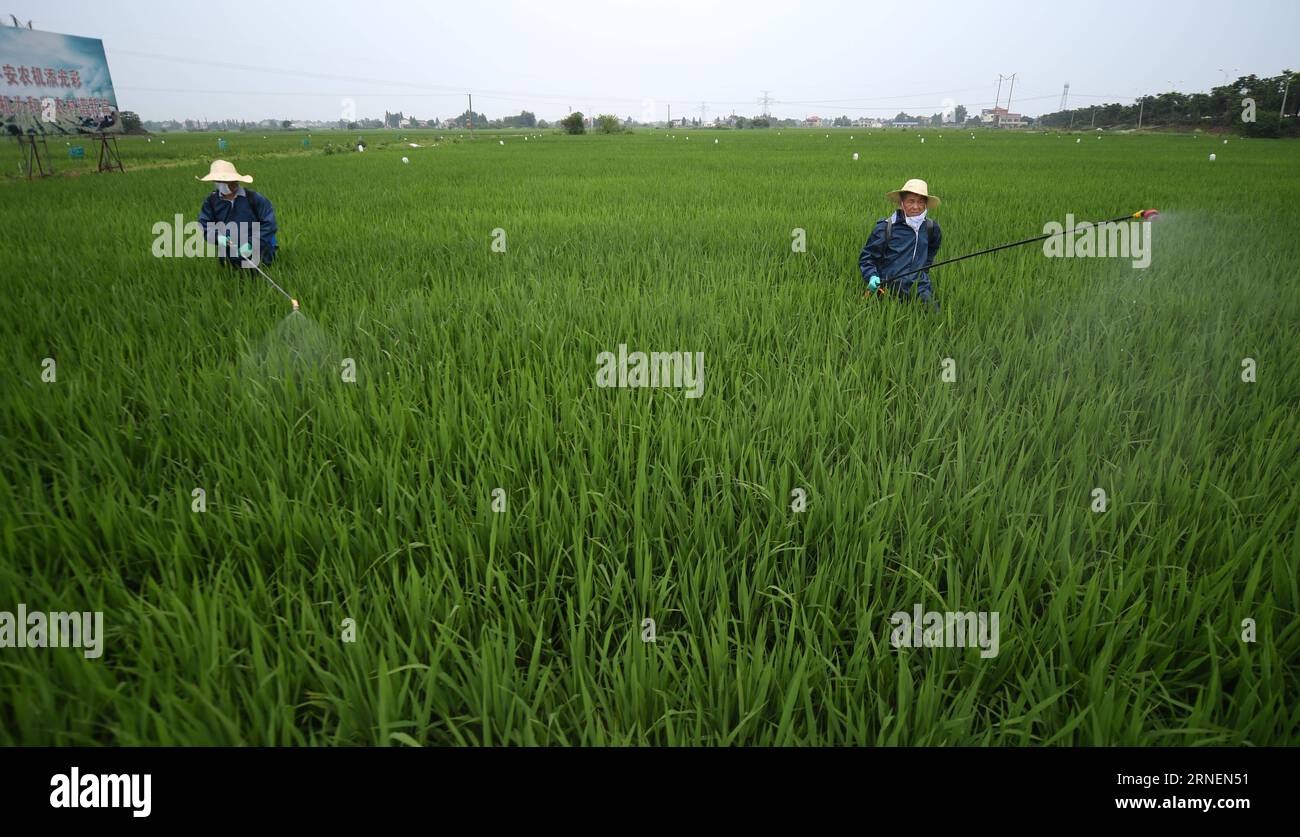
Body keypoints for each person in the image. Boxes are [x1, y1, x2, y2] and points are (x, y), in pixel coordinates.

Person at [858, 178, 942, 308]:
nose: (916, 207)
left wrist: (924, 268)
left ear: (925, 204)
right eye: (911, 201)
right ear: (901, 203)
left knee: (933, 315)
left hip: (919, 285)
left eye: (920, 202)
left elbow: (933, 247)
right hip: (889, 286)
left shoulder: (931, 227)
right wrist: (872, 276)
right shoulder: (886, 228)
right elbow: (867, 257)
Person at [196, 159, 278, 267]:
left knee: (259, 282)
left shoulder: (253, 198)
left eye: (230, 180)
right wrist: (217, 237)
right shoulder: (211, 202)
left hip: (260, 256)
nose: (228, 184)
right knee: (233, 280)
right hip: (229, 259)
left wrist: (251, 244)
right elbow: (204, 225)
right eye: (221, 181)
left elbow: (269, 224)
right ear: (216, 183)